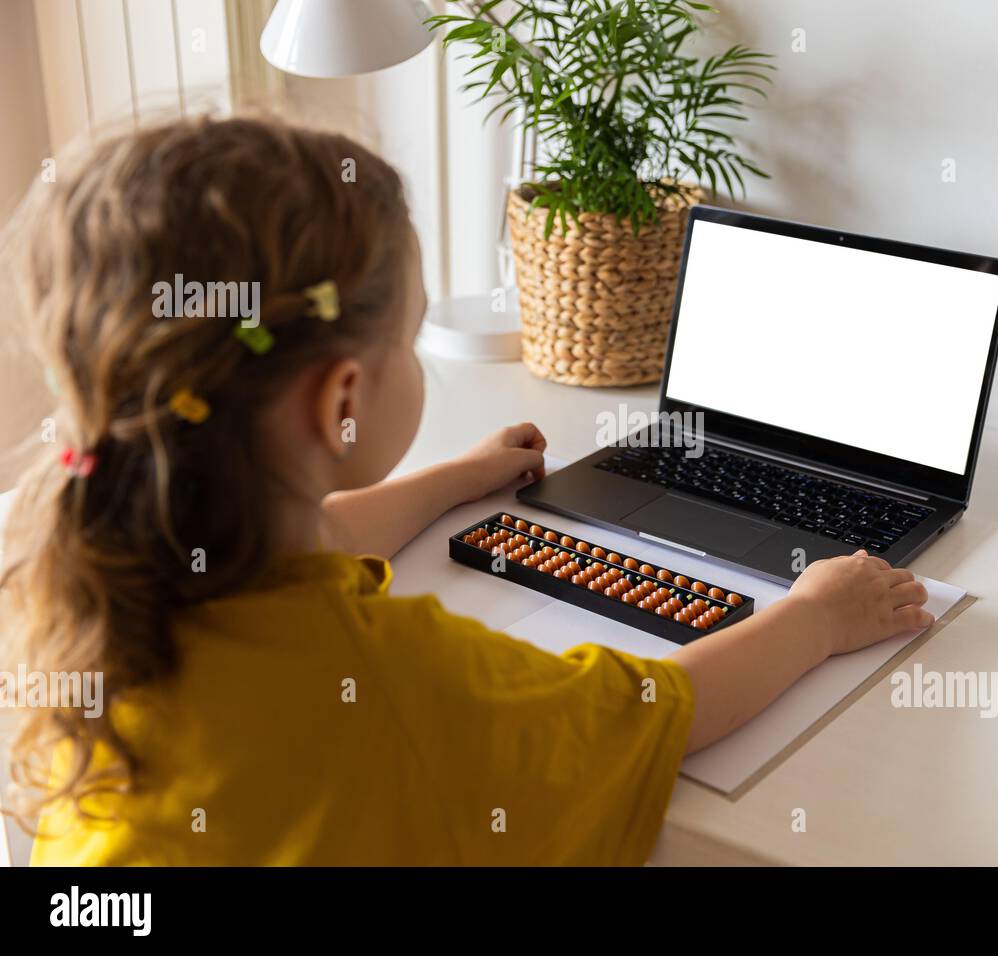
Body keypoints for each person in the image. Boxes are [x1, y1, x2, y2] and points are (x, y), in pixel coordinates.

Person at [0, 115, 931, 865]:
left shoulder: (76, 576)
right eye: (406, 337)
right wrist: (815, 617)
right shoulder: (408, 686)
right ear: (344, 401)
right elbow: (653, 711)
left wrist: (459, 478)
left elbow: (320, 531)